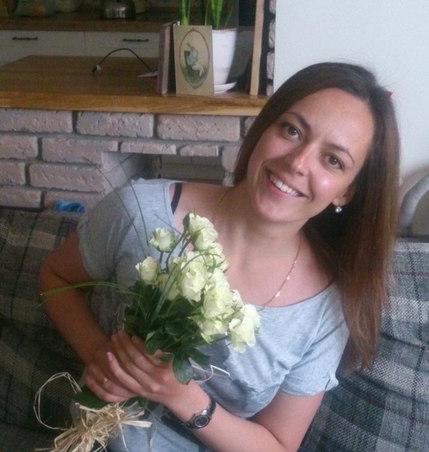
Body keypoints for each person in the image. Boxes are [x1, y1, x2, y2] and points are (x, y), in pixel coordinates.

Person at [39, 61, 400, 452]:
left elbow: (279, 446)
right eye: (292, 130)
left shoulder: (325, 309)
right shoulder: (140, 212)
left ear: (346, 191)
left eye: (333, 160)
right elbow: (55, 277)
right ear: (264, 128)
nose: (297, 163)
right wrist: (99, 354)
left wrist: (183, 397)